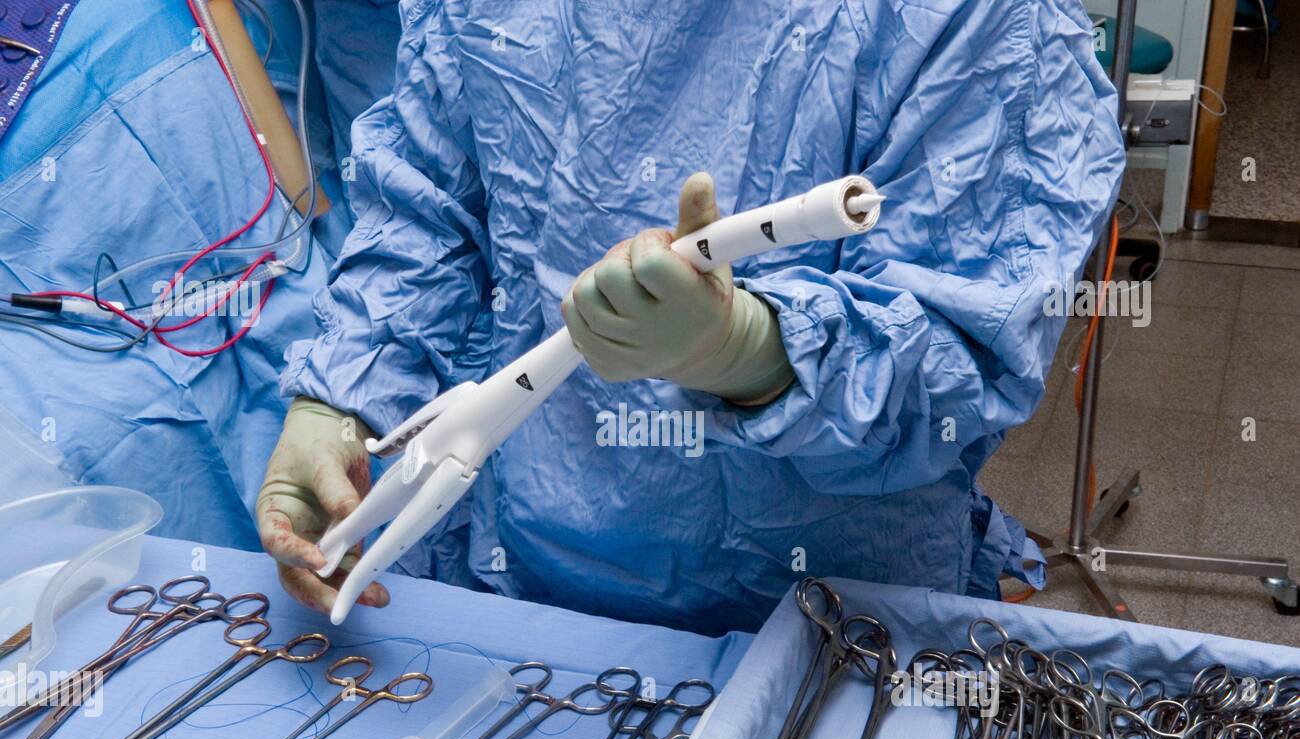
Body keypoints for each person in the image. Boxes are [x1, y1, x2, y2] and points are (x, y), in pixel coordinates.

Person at [258, 0, 1126, 635]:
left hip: (824, 622)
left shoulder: (970, 19)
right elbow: (429, 201)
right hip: (524, 592)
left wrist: (754, 353)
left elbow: (962, 342)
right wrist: (345, 398)